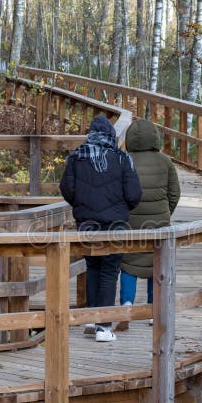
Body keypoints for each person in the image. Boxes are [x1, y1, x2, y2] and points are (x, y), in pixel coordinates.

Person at [60, 114, 142, 342]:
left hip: (86, 223)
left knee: (93, 267)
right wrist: (121, 206)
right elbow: (134, 194)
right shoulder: (122, 158)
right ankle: (103, 327)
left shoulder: (76, 157)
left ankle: (91, 317)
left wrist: (82, 204)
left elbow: (67, 189)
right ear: (111, 135)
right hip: (115, 224)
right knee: (109, 271)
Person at [118, 119, 180, 324]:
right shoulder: (165, 161)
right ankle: (155, 308)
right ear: (155, 137)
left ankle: (127, 304)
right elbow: (174, 193)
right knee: (157, 263)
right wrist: (165, 213)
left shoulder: (123, 159)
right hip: (158, 221)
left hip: (129, 220)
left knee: (128, 262)